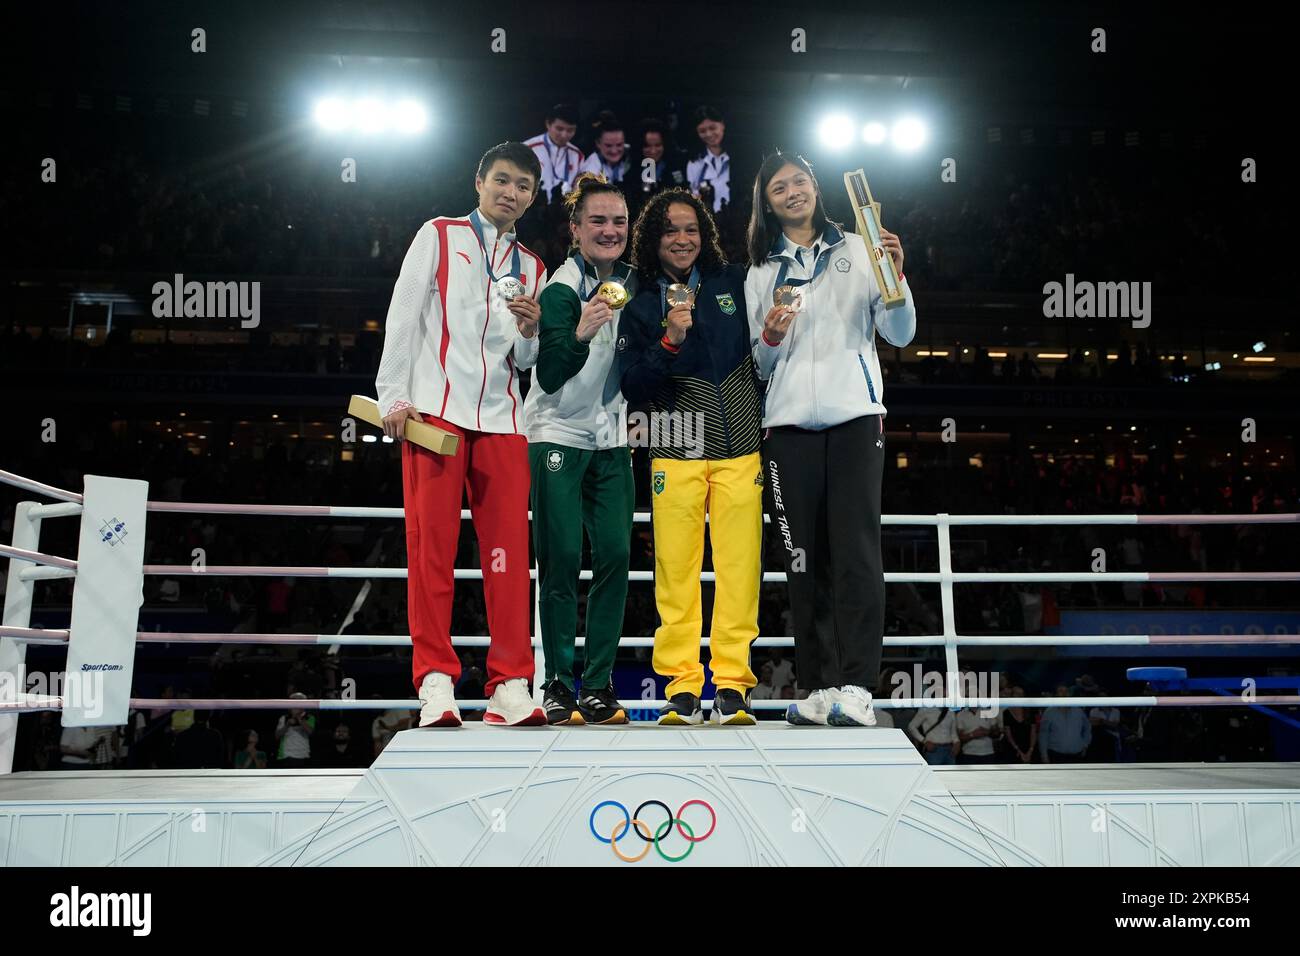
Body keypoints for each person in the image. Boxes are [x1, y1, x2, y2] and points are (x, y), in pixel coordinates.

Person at [376, 141, 549, 728]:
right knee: (433, 554)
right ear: (479, 181)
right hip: (435, 414)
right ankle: (436, 681)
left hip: (504, 420)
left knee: (507, 557)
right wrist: (392, 395)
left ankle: (510, 683)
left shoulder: (533, 265)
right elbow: (402, 314)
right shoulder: (439, 234)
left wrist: (531, 330)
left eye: (524, 186)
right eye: (502, 180)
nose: (512, 193)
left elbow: (526, 359)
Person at [744, 151, 917, 727]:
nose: (791, 192)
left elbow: (900, 332)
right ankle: (818, 687)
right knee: (801, 560)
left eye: (799, 181)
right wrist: (769, 335)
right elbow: (762, 365)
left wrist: (897, 275)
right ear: (766, 203)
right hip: (787, 428)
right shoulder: (761, 271)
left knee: (856, 557)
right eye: (778, 188)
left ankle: (858, 686)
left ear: (816, 188)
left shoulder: (861, 249)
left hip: (854, 420)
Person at [620, 187, 762, 725]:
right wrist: (670, 342)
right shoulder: (635, 299)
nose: (682, 239)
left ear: (705, 235)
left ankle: (732, 684)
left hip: (740, 449)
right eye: (671, 230)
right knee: (675, 572)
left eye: (691, 229)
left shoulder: (735, 284)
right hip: (674, 446)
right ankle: (680, 684)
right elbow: (633, 384)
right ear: (653, 239)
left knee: (738, 571)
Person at [525, 173, 638, 725]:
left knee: (616, 554)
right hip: (557, 433)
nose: (610, 230)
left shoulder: (636, 283)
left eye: (618, 221)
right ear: (575, 229)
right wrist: (583, 331)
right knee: (562, 558)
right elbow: (547, 374)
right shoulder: (560, 287)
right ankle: (555, 682)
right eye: (597, 220)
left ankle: (597, 685)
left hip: (612, 435)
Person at [525, 104, 584, 203]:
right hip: (532, 209)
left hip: (562, 212)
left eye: (570, 130)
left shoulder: (577, 155)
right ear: (548, 124)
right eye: (559, 129)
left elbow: (577, 189)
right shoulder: (529, 148)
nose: (564, 135)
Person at [686, 106, 730, 212]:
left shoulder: (739, 158)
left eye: (713, 128)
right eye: (702, 131)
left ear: (723, 125)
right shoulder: (694, 163)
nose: (709, 134)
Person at [1038, 685, 1092, 762]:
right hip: (1056, 754)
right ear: (1056, 695)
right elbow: (1043, 734)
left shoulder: (1078, 711)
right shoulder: (1049, 712)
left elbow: (1087, 727)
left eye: (1066, 691)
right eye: (1061, 691)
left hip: (1077, 755)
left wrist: (1085, 745)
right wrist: (1044, 755)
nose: (1064, 693)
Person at [579, 112, 630, 186]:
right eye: (608, 145)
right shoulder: (590, 169)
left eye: (619, 145)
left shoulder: (632, 156)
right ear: (598, 143)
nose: (614, 151)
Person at [275, 694, 315, 767]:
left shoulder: (309, 717)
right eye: (293, 702)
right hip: (286, 756)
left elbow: (310, 732)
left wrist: (299, 719)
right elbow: (277, 736)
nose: (295, 705)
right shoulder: (283, 718)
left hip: (303, 756)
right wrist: (287, 725)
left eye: (298, 702)